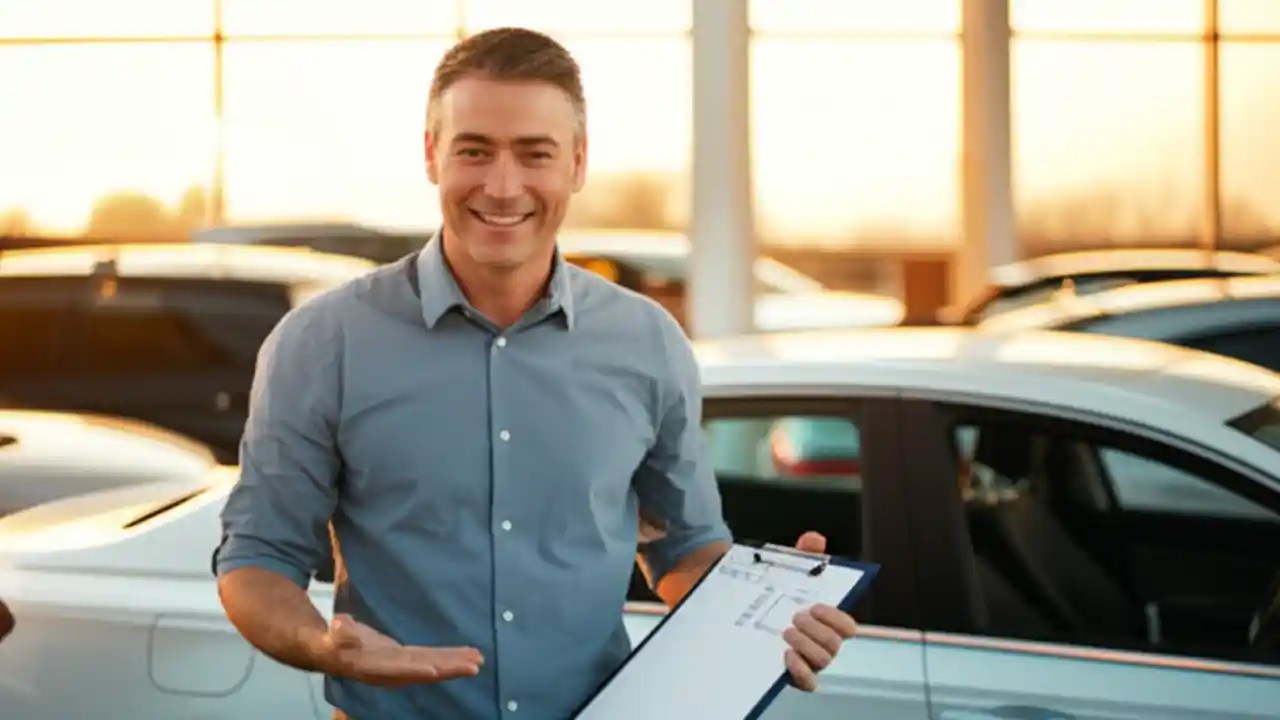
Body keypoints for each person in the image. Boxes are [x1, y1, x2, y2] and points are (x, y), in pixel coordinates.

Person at [214, 26, 859, 720]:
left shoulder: (648, 343)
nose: (502, 185)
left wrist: (768, 615)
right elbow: (256, 558)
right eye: (474, 151)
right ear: (432, 155)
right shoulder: (323, 342)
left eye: (534, 154)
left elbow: (683, 548)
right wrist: (319, 645)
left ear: (577, 164)